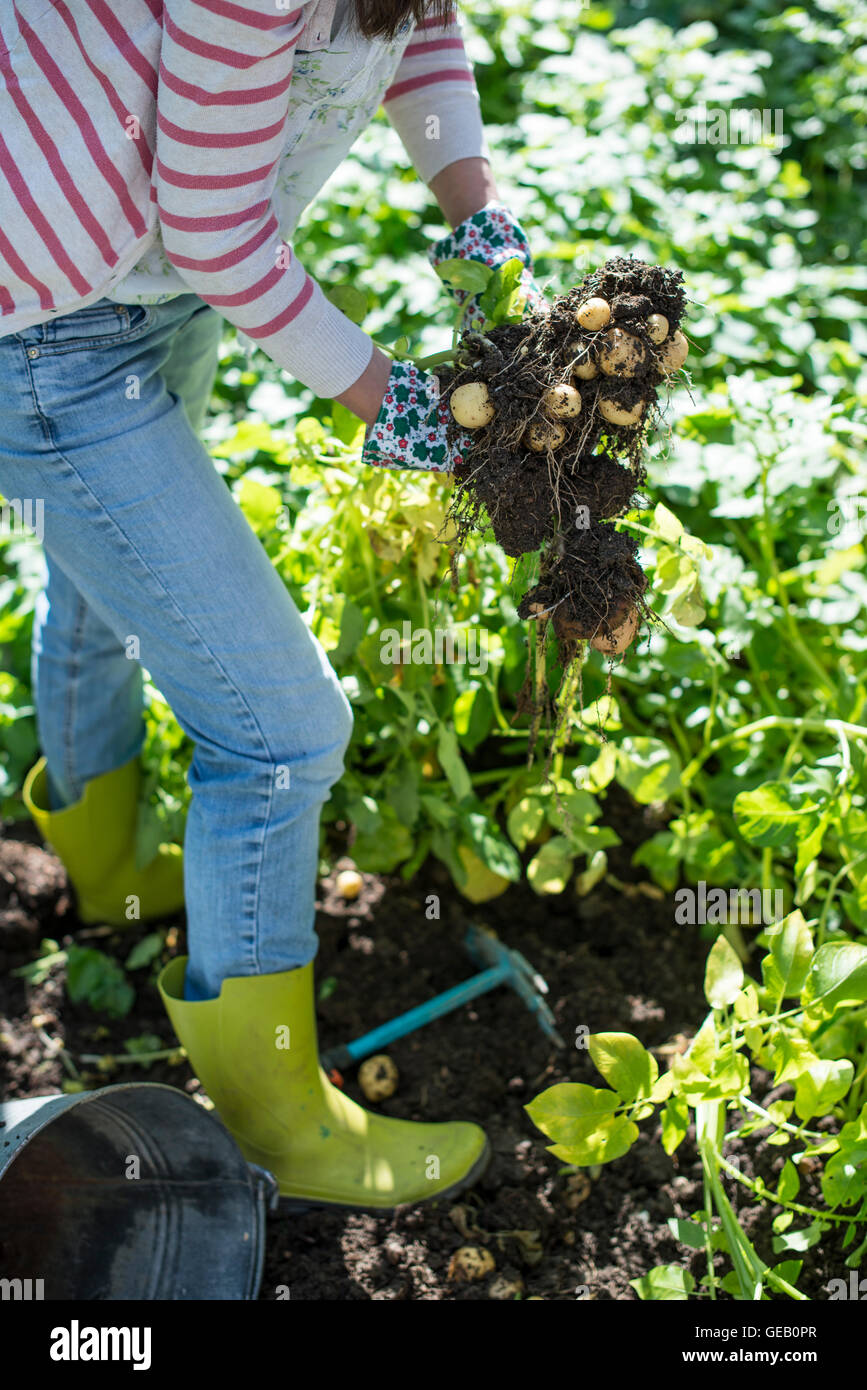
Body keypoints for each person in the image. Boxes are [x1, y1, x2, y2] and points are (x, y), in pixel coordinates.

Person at [0, 0, 550, 1210]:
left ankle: (110, 886)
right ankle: (282, 1126)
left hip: (140, 288)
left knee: (102, 592)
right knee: (281, 732)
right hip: (45, 327)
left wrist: (476, 212)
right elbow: (214, 228)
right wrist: (398, 404)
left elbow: (423, 26)